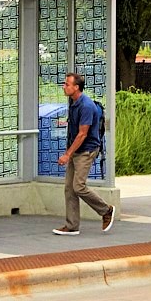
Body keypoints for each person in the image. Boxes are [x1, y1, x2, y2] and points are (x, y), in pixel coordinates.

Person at [52, 72, 115, 235]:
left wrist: (67, 154)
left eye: (67, 84)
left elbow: (82, 134)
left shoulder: (86, 105)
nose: (64, 87)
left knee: (78, 186)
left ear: (76, 87)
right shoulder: (73, 102)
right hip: (76, 149)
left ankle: (106, 210)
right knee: (69, 188)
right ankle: (72, 226)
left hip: (86, 150)